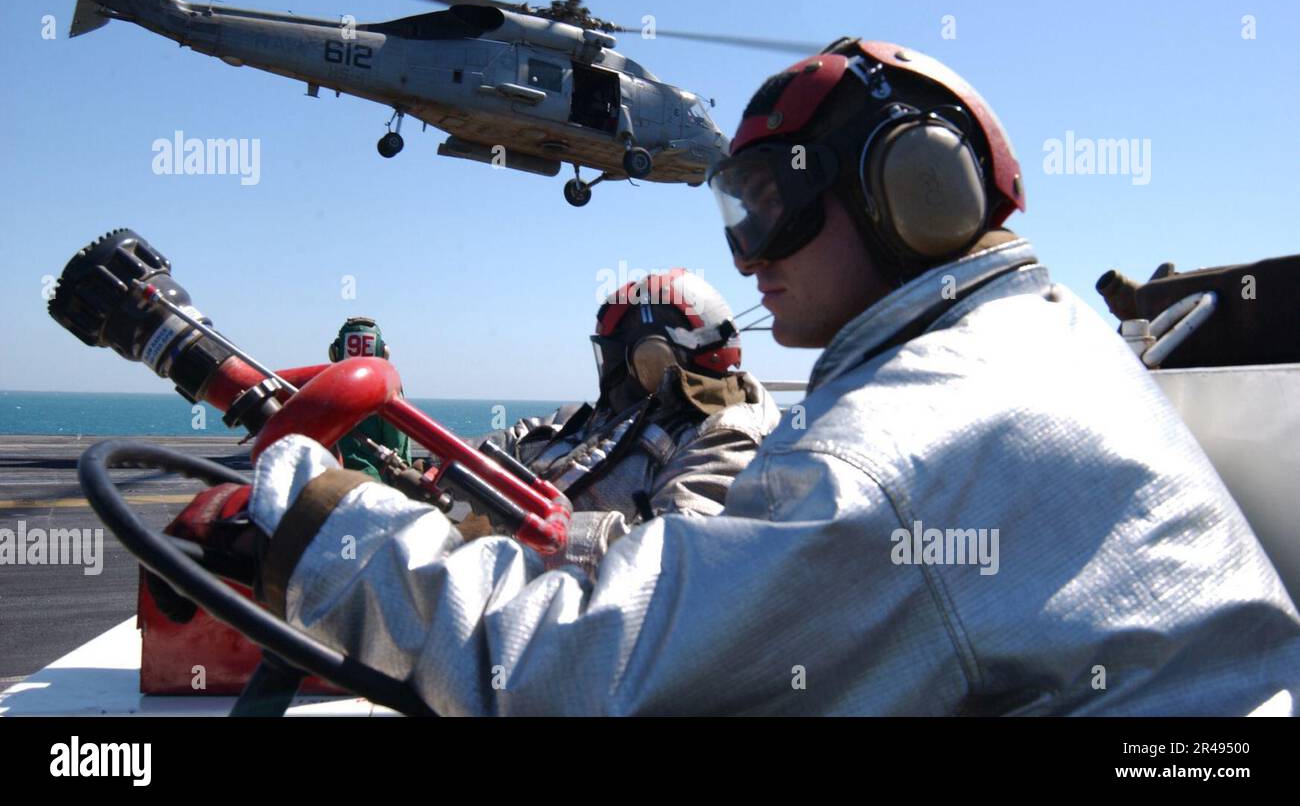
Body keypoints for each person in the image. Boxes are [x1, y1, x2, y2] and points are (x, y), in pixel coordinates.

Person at [245, 40, 1300, 715]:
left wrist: (329, 534)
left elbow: (600, 680)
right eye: (732, 214)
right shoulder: (1044, 334)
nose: (747, 257)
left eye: (766, 205)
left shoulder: (896, 448)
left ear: (913, 192)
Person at [464, 269, 779, 571]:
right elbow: (506, 442)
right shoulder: (594, 417)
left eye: (618, 358)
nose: (613, 372)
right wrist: (431, 461)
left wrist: (511, 532)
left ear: (653, 360)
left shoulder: (726, 436)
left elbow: (671, 556)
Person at [328, 317, 413, 480]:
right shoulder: (386, 390)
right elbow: (397, 445)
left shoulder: (323, 388)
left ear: (335, 352)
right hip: (374, 485)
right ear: (383, 352)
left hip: (333, 483)